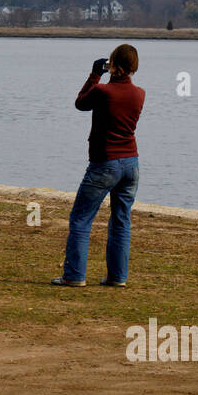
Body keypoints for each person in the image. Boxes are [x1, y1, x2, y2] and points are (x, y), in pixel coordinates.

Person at [52, 43, 145, 288]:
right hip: (131, 164)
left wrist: (95, 73)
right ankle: (117, 277)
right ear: (134, 68)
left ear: (113, 65)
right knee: (121, 221)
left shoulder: (103, 91)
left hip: (105, 164)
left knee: (81, 218)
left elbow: (80, 102)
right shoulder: (140, 94)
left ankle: (74, 276)